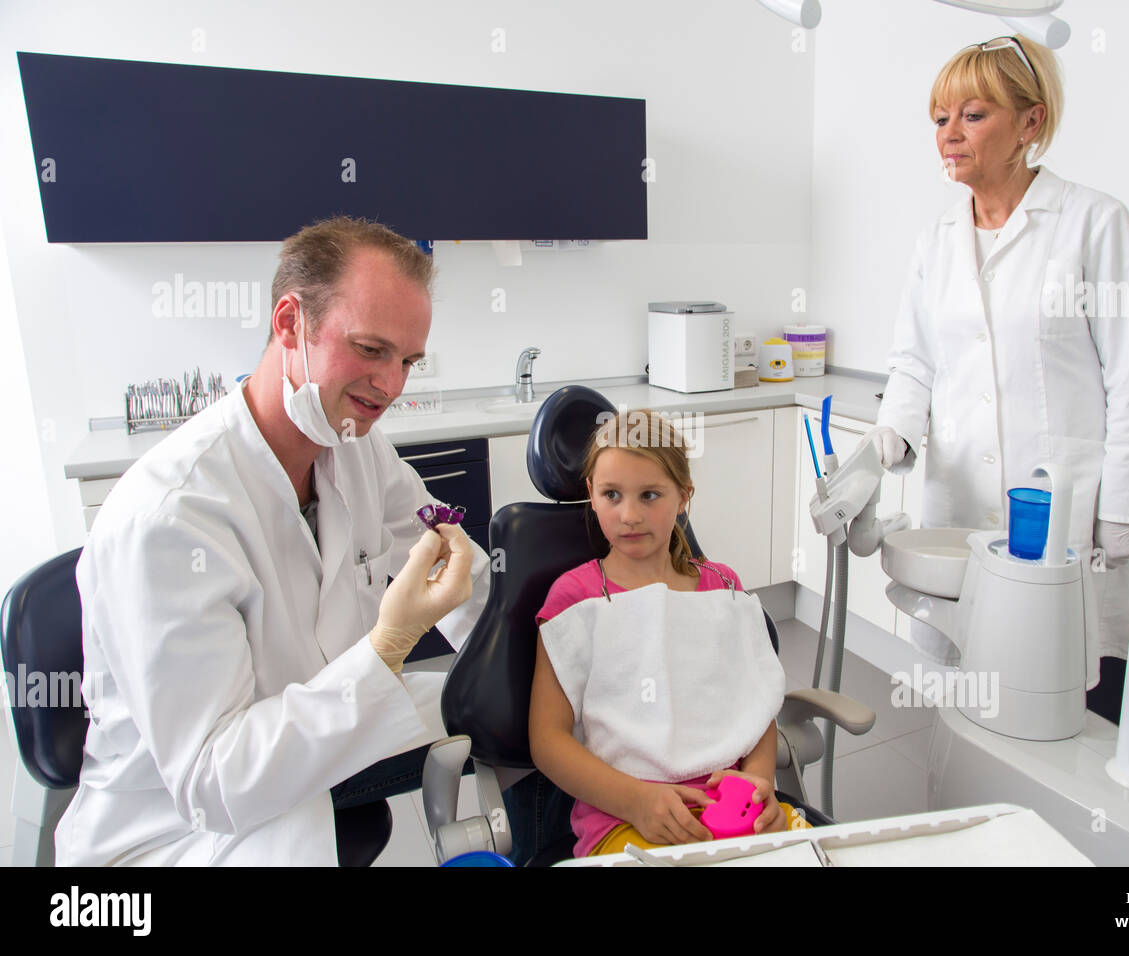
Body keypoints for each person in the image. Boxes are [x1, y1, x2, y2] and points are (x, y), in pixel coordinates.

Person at [56, 217, 490, 865]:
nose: (392, 386)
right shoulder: (171, 517)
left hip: (315, 734)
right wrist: (391, 644)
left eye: (407, 361)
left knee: (523, 720)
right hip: (189, 826)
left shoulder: (357, 449)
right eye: (371, 350)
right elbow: (215, 782)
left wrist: (542, 655)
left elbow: (462, 574)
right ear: (290, 323)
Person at [873, 35, 1129, 683]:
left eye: (972, 115)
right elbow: (915, 361)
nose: (949, 134)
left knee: (1048, 684)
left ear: (1031, 122)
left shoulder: (1094, 223)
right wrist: (891, 435)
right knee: (961, 677)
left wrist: (1122, 513)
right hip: (960, 509)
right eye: (940, 119)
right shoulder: (938, 240)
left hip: (1061, 510)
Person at [528, 410, 807, 856]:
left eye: (650, 495)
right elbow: (547, 740)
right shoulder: (575, 599)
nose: (629, 515)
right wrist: (636, 801)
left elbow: (757, 707)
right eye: (612, 495)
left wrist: (758, 780)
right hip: (625, 816)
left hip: (733, 807)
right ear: (591, 496)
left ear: (683, 497)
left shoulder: (724, 587)